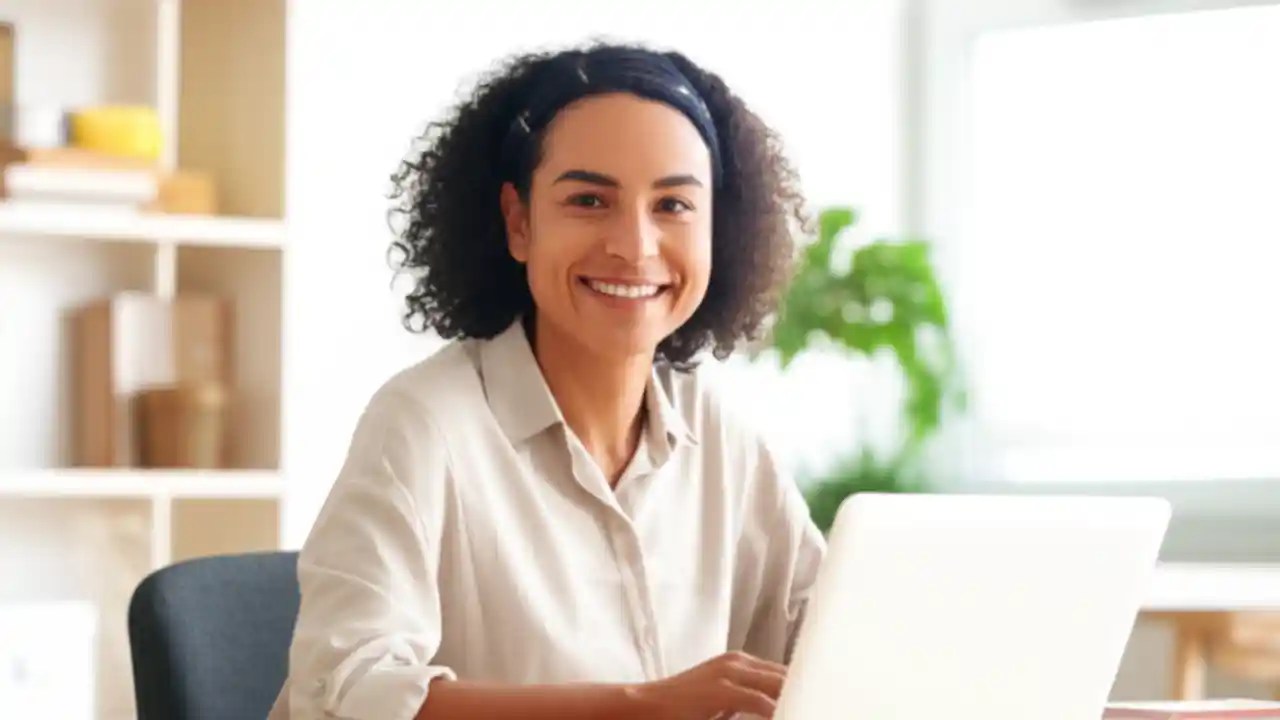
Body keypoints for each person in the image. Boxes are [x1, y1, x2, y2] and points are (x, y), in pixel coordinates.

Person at [271, 43, 824, 720]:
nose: (635, 245)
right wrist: (641, 706)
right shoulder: (422, 424)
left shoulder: (722, 441)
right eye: (590, 200)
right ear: (519, 221)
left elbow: (834, 638)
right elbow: (348, 694)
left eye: (674, 205)